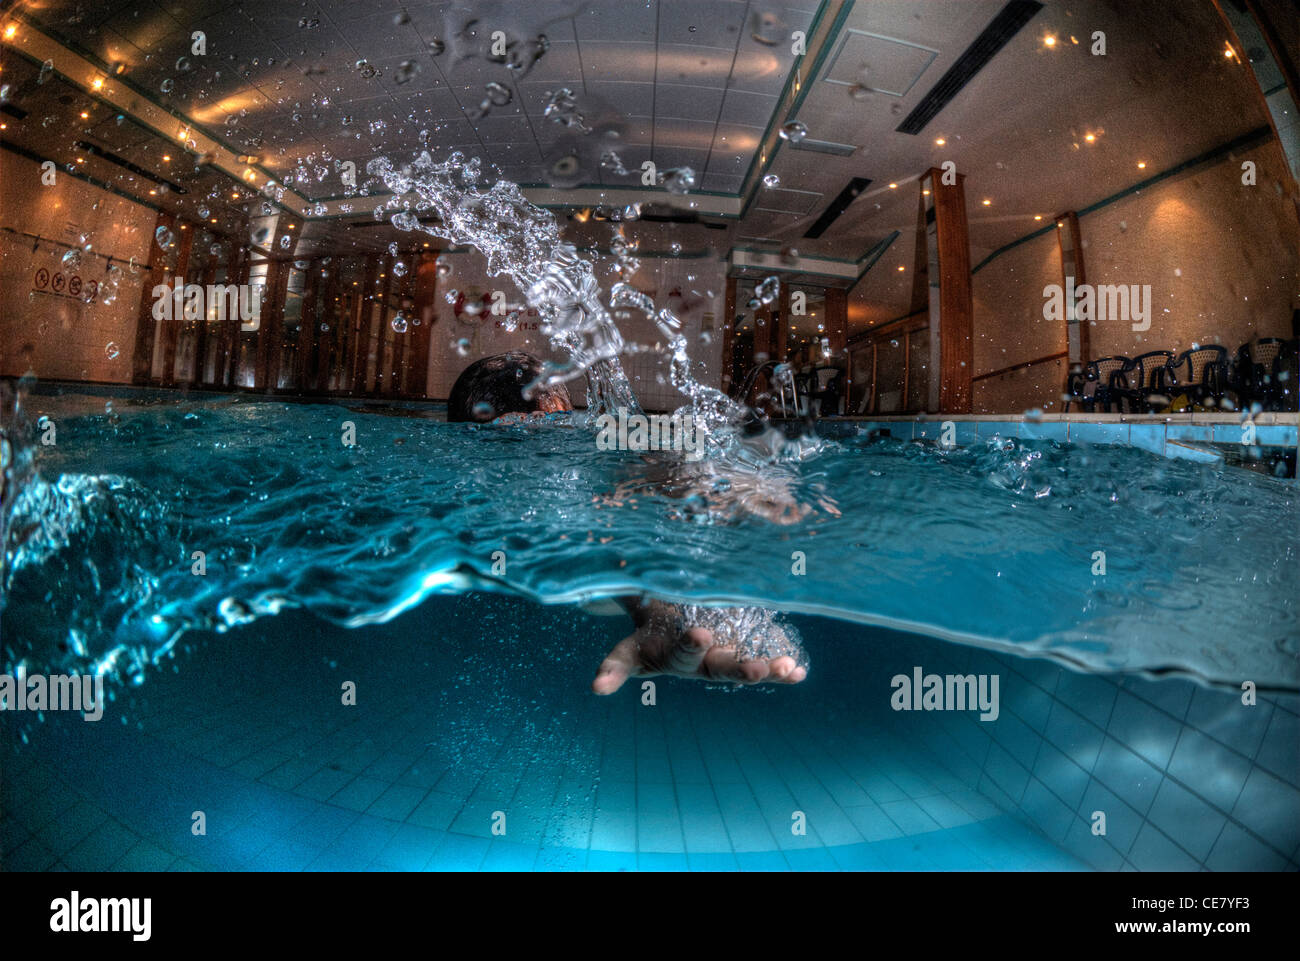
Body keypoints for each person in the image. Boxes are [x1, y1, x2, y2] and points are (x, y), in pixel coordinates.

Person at [448, 351, 810, 694]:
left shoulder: (474, 519)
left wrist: (655, 610)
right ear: (565, 409)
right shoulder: (612, 442)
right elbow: (682, 455)